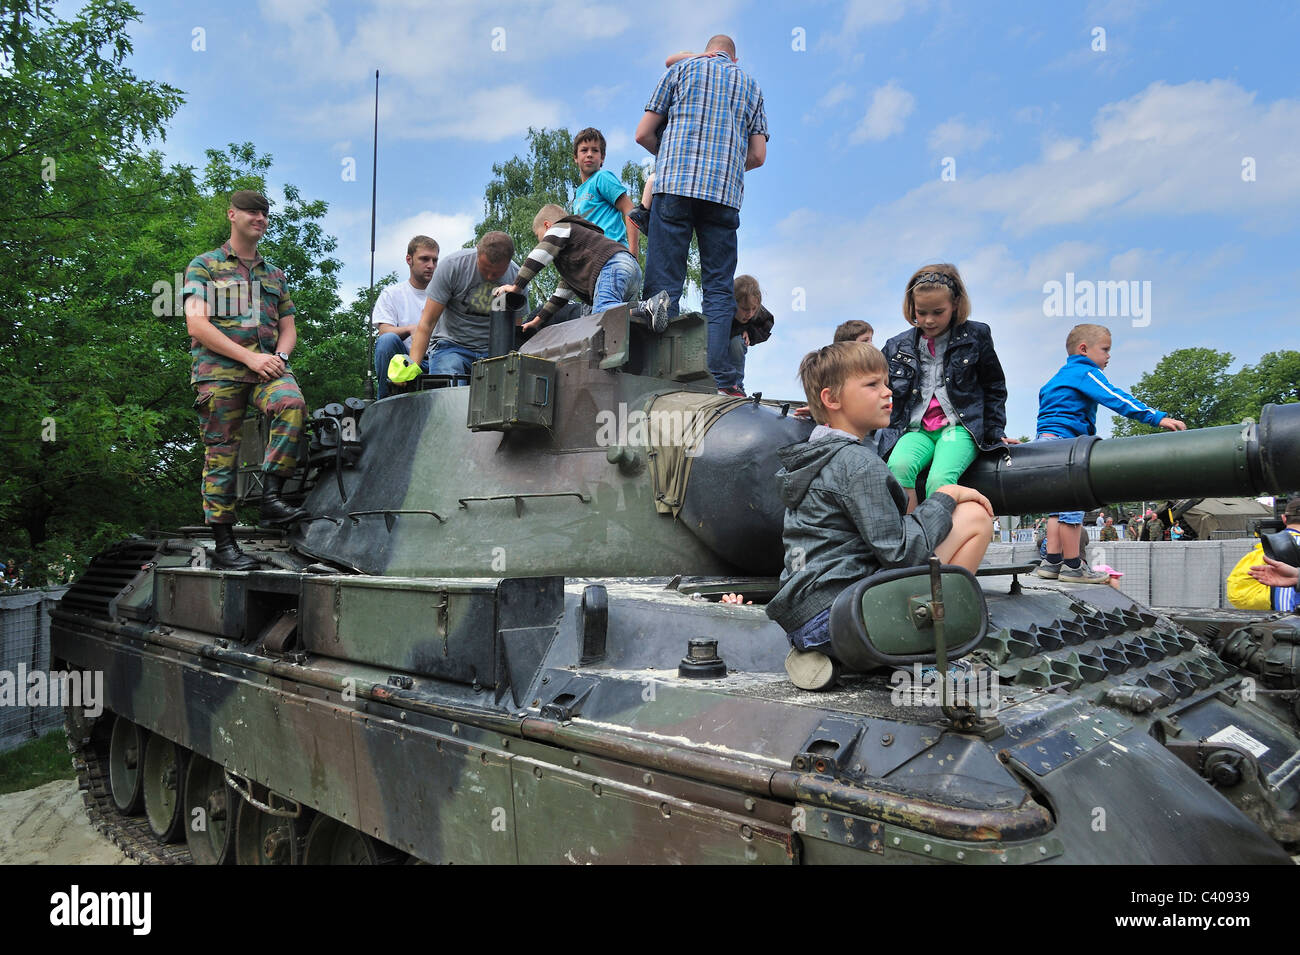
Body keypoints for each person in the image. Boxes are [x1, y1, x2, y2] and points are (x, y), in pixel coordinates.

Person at [766, 341, 994, 690]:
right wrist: (946, 496)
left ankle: (846, 655)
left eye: (886, 383)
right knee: (974, 517)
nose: (888, 393)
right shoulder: (857, 464)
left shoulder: (814, 459)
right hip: (847, 615)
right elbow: (902, 553)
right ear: (832, 399)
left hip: (806, 621)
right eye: (872, 385)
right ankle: (930, 656)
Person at [183, 190, 311, 570]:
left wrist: (279, 358)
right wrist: (249, 357)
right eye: (252, 212)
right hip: (219, 374)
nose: (260, 218)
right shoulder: (203, 266)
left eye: (264, 213)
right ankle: (225, 544)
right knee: (222, 454)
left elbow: (289, 328)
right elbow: (197, 324)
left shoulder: (274, 275)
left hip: (266, 371)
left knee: (292, 403)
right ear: (232, 215)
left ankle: (271, 494)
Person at [636, 33, 768, 397]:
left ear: (707, 50)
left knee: (664, 284)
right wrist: (724, 165)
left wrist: (671, 156)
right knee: (718, 289)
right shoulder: (751, 86)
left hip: (675, 185)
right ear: (734, 59)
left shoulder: (683, 71)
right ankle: (721, 381)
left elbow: (643, 133)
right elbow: (757, 156)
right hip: (723, 196)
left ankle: (658, 375)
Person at [1034, 323, 1186, 583]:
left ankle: (1052, 562)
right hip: (1066, 443)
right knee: (1072, 505)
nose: (1108, 356)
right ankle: (1073, 566)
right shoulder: (1085, 372)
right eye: (1104, 349)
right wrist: (1156, 418)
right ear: (1084, 349)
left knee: (1056, 510)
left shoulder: (1056, 378)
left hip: (1045, 442)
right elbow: (1114, 397)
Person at [879, 264, 1016, 514]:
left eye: (938, 312)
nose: (929, 320)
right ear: (912, 309)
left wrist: (995, 430)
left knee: (939, 480)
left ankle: (939, 542)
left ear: (955, 305)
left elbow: (993, 385)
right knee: (898, 469)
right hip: (916, 430)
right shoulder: (896, 345)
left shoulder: (976, 335)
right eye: (921, 312)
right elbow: (872, 381)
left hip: (957, 428)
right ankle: (913, 538)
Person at [493, 205, 669, 333]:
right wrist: (537, 321)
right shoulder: (574, 257)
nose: (540, 241)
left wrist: (516, 287)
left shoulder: (561, 227)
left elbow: (539, 256)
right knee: (618, 320)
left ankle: (648, 306)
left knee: (600, 312)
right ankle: (648, 314)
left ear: (547, 225)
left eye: (538, 236)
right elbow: (560, 296)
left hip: (612, 266)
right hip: (629, 270)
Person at [405, 233, 520, 382]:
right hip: (451, 346)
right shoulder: (452, 266)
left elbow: (515, 330)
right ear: (477, 253)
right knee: (450, 394)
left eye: (497, 273)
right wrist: (411, 368)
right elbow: (427, 323)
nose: (490, 277)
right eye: (485, 269)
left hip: (494, 352)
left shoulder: (517, 276)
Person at [372, 236, 439, 399]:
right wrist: (411, 329)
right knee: (387, 341)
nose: (431, 265)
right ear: (409, 260)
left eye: (435, 260)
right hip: (406, 361)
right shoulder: (392, 294)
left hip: (438, 360)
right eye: (424, 259)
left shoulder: (445, 294)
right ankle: (386, 403)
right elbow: (384, 331)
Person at [571, 128, 638, 258]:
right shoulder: (578, 194)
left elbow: (630, 210)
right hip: (593, 260)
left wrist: (633, 253)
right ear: (575, 157)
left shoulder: (602, 177)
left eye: (595, 150)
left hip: (612, 254)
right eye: (584, 150)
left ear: (602, 158)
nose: (589, 154)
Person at [1229, 499, 1300, 610]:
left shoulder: (1265, 548)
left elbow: (1236, 595)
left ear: (1284, 518)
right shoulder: (1285, 548)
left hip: (1279, 620)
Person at [727, 275, 773, 394]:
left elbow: (767, 325)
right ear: (733, 302)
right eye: (745, 309)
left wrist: (749, 331)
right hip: (719, 340)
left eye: (754, 309)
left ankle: (736, 385)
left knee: (737, 343)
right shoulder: (723, 309)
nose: (750, 313)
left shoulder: (758, 313)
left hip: (735, 343)